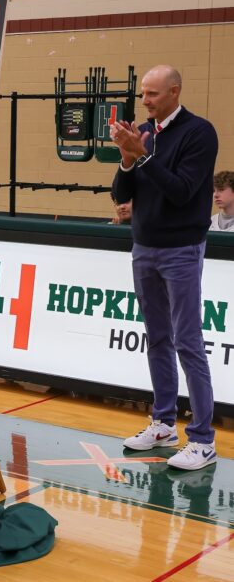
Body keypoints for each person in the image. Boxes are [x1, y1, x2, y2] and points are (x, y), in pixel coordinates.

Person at [111, 65, 218, 471]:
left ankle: (203, 440)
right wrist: (127, 159)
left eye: (152, 94)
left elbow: (181, 191)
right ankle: (164, 423)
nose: (144, 101)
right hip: (144, 248)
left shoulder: (199, 133)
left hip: (181, 250)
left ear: (174, 92)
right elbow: (121, 193)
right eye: (143, 93)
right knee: (157, 338)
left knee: (187, 341)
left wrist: (142, 155)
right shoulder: (143, 133)